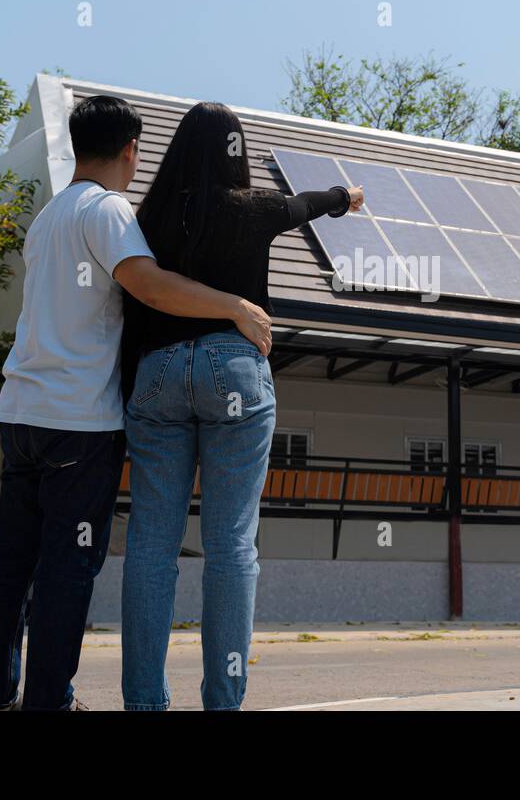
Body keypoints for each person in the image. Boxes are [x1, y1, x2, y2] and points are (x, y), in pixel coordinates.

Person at [0, 95, 272, 711]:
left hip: (19, 413)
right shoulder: (107, 211)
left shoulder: (47, 218)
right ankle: (50, 701)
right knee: (65, 572)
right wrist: (234, 306)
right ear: (129, 150)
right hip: (76, 425)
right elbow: (150, 287)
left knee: (7, 568)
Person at [119, 101, 363, 711]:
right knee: (230, 545)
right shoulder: (251, 209)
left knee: (152, 545)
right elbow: (308, 204)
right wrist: (346, 194)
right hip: (234, 369)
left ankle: (144, 702)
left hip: (158, 372)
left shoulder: (143, 217)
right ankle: (222, 702)